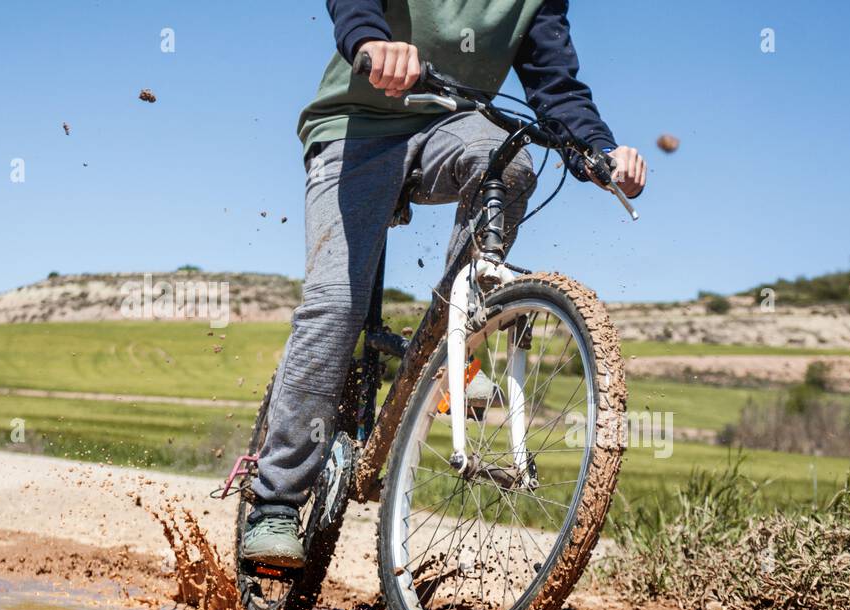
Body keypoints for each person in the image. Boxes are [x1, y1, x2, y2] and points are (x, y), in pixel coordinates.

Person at [242, 0, 647, 567]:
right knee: (337, 307)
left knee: (510, 163)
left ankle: (452, 351)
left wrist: (598, 151)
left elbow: (556, 87)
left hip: (452, 128)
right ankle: (275, 502)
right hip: (355, 129)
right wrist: (369, 42)